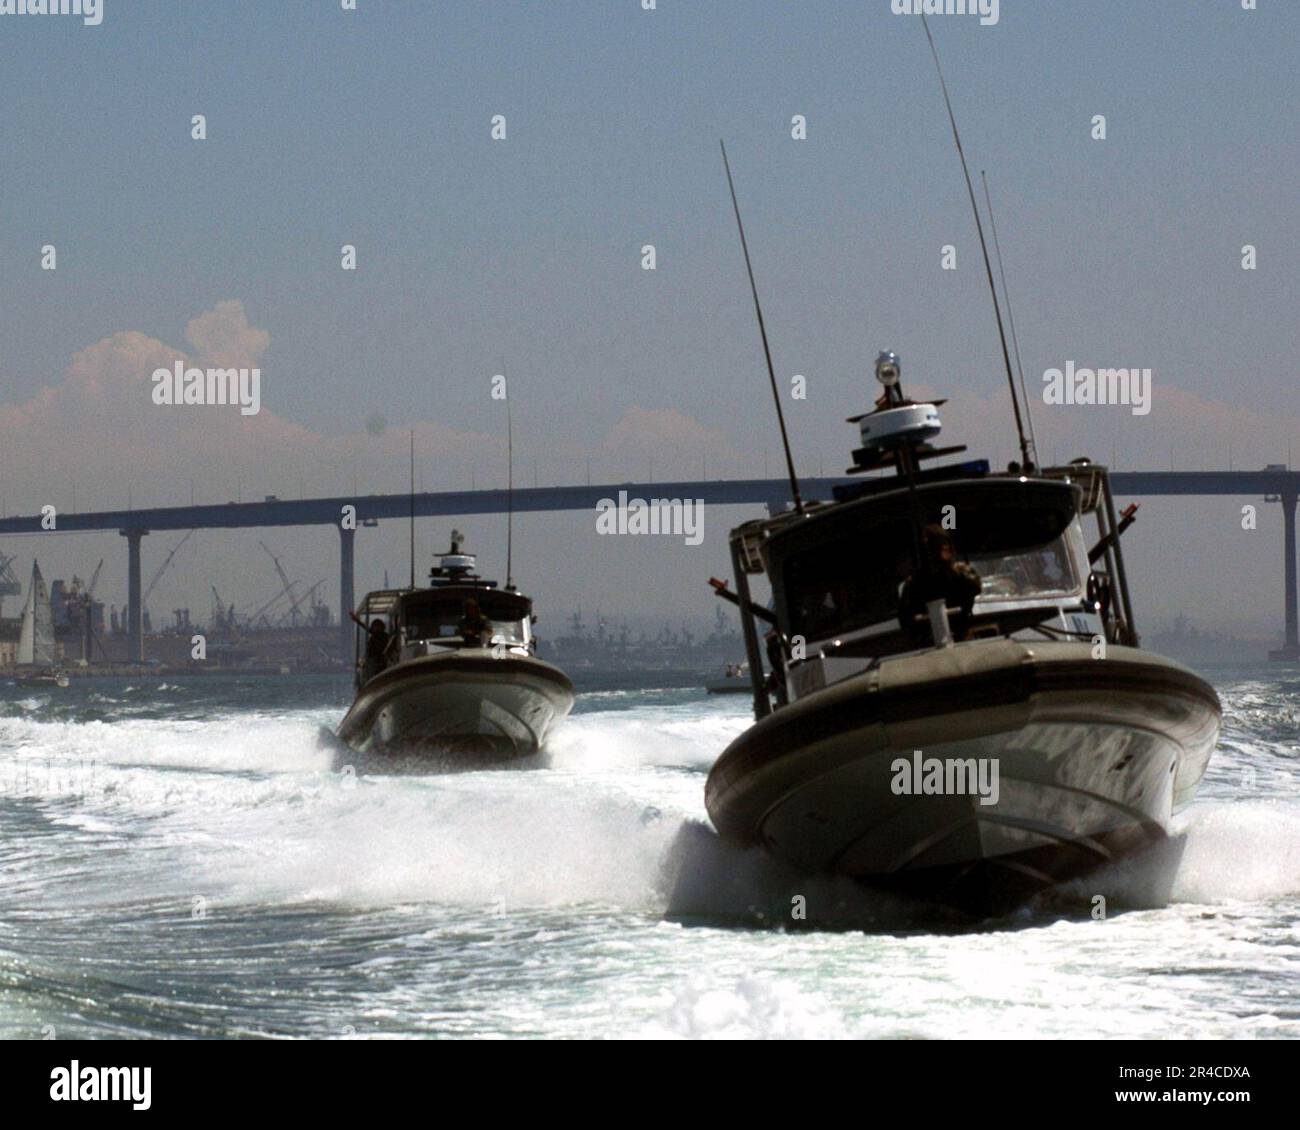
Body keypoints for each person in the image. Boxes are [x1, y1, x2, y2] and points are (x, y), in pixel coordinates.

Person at [897, 524, 982, 642]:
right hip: (929, 641)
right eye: (933, 546)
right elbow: (905, 619)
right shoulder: (915, 582)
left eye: (943, 544)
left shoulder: (961, 573)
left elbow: (976, 588)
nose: (940, 550)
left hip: (962, 636)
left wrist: (954, 571)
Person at [349, 610, 390, 682]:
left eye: (378, 626)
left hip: (380, 659)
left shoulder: (385, 636)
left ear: (382, 627)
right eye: (375, 626)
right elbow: (366, 627)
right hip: (372, 659)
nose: (376, 628)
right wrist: (357, 620)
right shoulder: (374, 634)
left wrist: (357, 620)